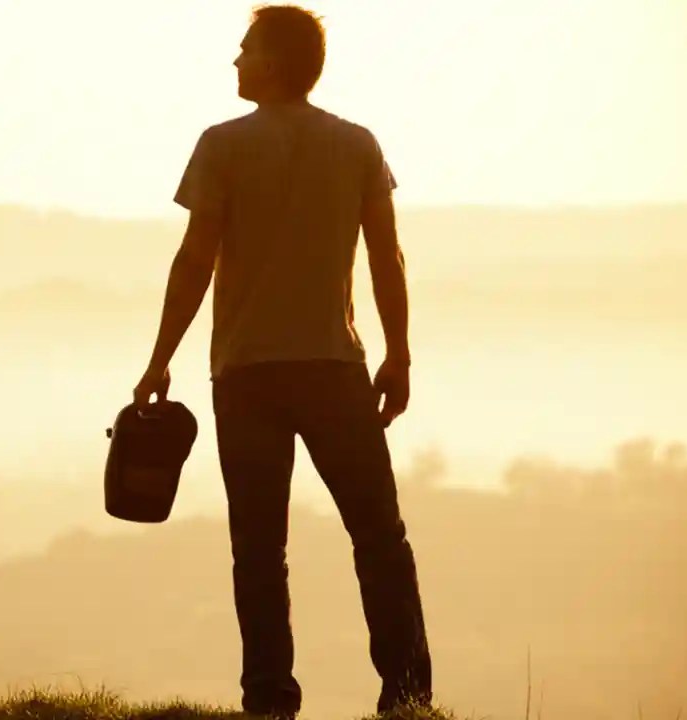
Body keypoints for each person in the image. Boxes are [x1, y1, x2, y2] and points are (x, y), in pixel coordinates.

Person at [131, 4, 432, 717]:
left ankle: (269, 699)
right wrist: (399, 355)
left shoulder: (221, 146)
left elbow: (195, 260)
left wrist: (158, 361)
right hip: (335, 366)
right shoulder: (357, 144)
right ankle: (408, 695)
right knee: (380, 538)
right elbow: (385, 255)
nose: (234, 62)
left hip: (247, 375)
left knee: (259, 548)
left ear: (274, 63)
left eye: (245, 50)